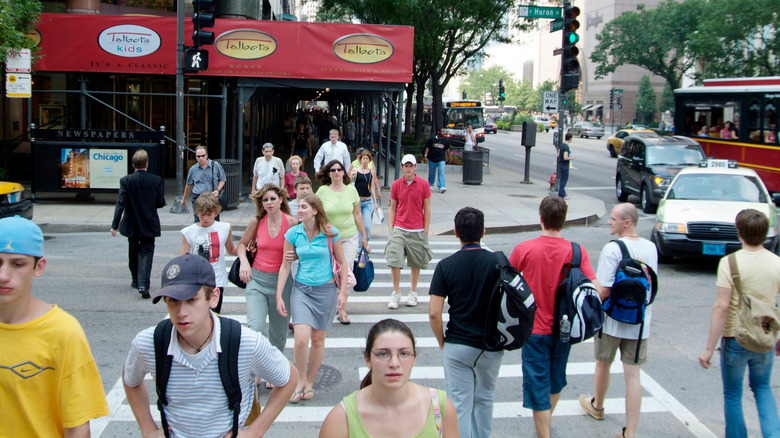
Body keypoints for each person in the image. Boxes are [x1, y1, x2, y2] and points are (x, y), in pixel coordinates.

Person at [123, 254, 299, 437]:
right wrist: (148, 429)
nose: (181, 312)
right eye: (173, 300)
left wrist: (255, 432)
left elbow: (289, 378)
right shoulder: (150, 343)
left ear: (213, 298)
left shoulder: (245, 343)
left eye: (192, 300)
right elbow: (130, 378)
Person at [1, 216, 109, 437]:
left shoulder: (63, 332)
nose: (3, 275)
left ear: (38, 267)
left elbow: (77, 427)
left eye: (18, 264)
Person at [509, 196, 601, 438]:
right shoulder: (577, 252)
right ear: (564, 220)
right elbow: (597, 289)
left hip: (533, 330)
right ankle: (545, 426)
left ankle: (544, 433)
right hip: (564, 329)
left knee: (538, 386)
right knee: (555, 381)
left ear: (540, 218)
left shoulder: (524, 249)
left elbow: (506, 282)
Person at [699, 209, 780, 438]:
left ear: (739, 232)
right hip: (765, 337)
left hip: (735, 337)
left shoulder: (730, 263)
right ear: (765, 233)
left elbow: (722, 307)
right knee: (763, 388)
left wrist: (708, 348)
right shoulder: (777, 263)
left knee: (733, 393)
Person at [579, 203, 657, 438]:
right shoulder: (651, 248)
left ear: (627, 222)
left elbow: (604, 290)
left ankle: (598, 405)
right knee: (633, 374)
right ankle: (630, 432)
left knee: (603, 362)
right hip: (639, 322)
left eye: (613, 219)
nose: (609, 222)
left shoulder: (612, 250)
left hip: (611, 321)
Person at [428, 207, 503, 438]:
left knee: (459, 403)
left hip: (458, 343)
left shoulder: (446, 266)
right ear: (483, 232)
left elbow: (434, 313)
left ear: (455, 233)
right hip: (491, 344)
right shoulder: (498, 263)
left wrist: (443, 342)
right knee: (485, 399)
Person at [319, 319, 459, 437]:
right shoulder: (341, 419)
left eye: (404, 354)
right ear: (367, 359)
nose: (394, 363)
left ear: (414, 358)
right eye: (383, 354)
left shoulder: (440, 408)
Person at [276, 193, 349, 403]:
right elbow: (285, 266)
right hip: (302, 291)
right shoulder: (293, 234)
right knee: (300, 339)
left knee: (318, 340)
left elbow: (343, 264)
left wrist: (342, 292)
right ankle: (299, 379)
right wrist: (279, 295)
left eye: (304, 207)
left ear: (315, 211)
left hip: (325, 292)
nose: (299, 211)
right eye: (298, 207)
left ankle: (310, 381)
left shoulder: (330, 233)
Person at [237, 183, 298, 383]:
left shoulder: (291, 222)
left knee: (279, 333)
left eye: (273, 198)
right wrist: (244, 262)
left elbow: (303, 247)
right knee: (255, 327)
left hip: (281, 283)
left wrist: (296, 254)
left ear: (281, 199)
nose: (269, 203)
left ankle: (274, 369)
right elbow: (241, 245)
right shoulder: (257, 221)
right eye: (265, 200)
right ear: (261, 203)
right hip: (257, 281)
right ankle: (257, 368)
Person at [316, 159, 369, 324]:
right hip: (328, 237)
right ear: (328, 173)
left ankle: (342, 308)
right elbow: (316, 213)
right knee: (329, 271)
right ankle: (329, 304)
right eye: (333, 170)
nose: (337, 172)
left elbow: (358, 214)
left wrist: (364, 236)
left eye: (339, 169)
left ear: (344, 173)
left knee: (345, 270)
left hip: (348, 236)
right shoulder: (322, 191)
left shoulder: (351, 190)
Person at [111, 148, 166, 299]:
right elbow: (161, 203)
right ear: (147, 164)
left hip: (132, 223)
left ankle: (135, 280)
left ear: (133, 165)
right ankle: (143, 284)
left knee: (133, 251)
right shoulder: (155, 180)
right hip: (149, 222)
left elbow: (120, 204)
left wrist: (114, 225)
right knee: (147, 253)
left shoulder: (126, 180)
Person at [386, 154, 433, 310]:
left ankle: (413, 292)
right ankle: (396, 291)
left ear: (415, 167)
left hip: (417, 228)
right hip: (399, 227)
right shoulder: (396, 185)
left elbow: (427, 208)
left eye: (410, 166)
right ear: (402, 167)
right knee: (394, 260)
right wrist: (391, 227)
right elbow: (392, 207)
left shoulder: (424, 185)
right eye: (405, 166)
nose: (408, 168)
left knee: (415, 263)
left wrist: (426, 228)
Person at [180, 192, 236, 314]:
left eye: (209, 215)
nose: (205, 218)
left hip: (217, 280)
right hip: (196, 280)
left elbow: (231, 249)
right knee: (198, 315)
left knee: (214, 316)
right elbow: (183, 258)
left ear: (216, 213)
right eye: (202, 215)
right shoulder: (188, 232)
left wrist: (245, 249)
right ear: (197, 213)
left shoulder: (224, 228)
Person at [181, 145, 226, 222]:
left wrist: (217, 190)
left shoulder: (215, 166)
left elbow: (222, 179)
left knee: (214, 221)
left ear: (207, 155)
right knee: (198, 221)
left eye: (203, 156)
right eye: (198, 156)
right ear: (195, 157)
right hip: (198, 197)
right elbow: (189, 185)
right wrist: (184, 199)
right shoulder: (193, 169)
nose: (201, 158)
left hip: (211, 197)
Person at [350, 149, 379, 246]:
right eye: (363, 158)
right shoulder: (355, 171)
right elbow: (349, 184)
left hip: (367, 200)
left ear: (369, 160)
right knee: (358, 224)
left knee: (366, 225)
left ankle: (366, 241)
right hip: (357, 201)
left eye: (367, 158)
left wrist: (375, 202)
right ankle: (359, 246)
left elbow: (372, 187)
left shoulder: (371, 172)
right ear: (360, 160)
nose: (365, 160)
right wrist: (351, 177)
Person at [424, 127, 451, 193]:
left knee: (441, 172)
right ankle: (430, 184)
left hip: (441, 159)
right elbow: (427, 148)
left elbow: (447, 150)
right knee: (431, 172)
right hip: (432, 159)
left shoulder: (445, 141)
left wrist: (450, 158)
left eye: (444, 131)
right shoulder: (432, 139)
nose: (443, 133)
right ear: (438, 132)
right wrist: (425, 156)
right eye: (442, 131)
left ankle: (441, 186)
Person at [557, 133, 575, 200]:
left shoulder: (561, 146)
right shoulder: (566, 147)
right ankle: (561, 194)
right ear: (570, 138)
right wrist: (572, 157)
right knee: (564, 180)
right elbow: (565, 157)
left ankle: (562, 192)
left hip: (561, 164)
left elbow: (558, 155)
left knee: (562, 179)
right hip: (565, 165)